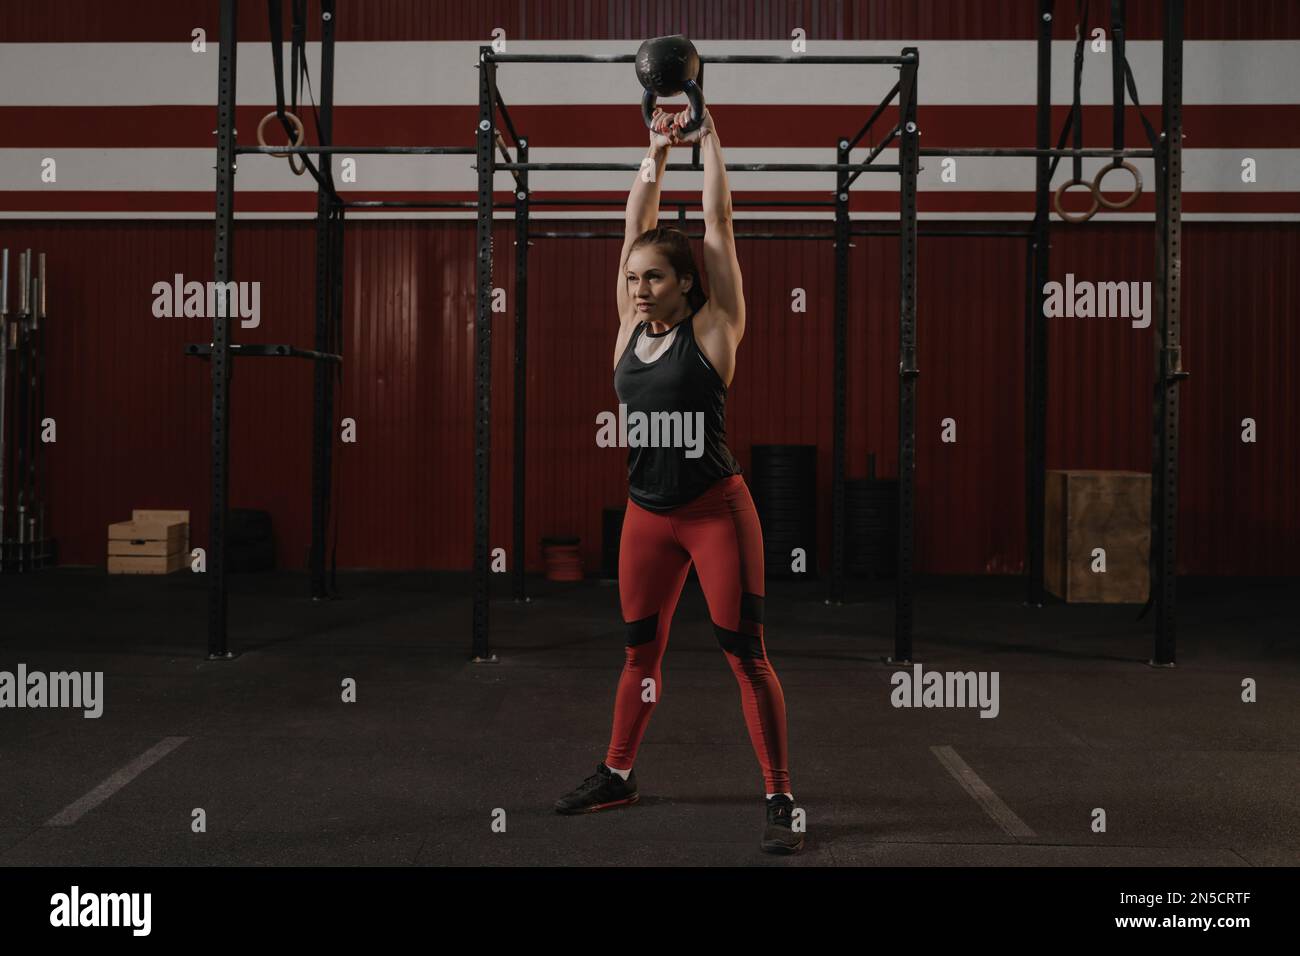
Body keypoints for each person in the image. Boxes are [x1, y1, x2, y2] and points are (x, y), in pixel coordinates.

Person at [554, 105, 801, 854]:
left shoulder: (716, 330)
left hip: (714, 512)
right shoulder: (629, 332)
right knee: (638, 655)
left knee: (746, 656)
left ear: (687, 285)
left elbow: (720, 226)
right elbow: (636, 225)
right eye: (632, 277)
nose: (636, 286)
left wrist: (710, 140)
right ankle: (618, 772)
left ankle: (781, 795)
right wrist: (653, 152)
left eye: (653, 277)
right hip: (646, 518)